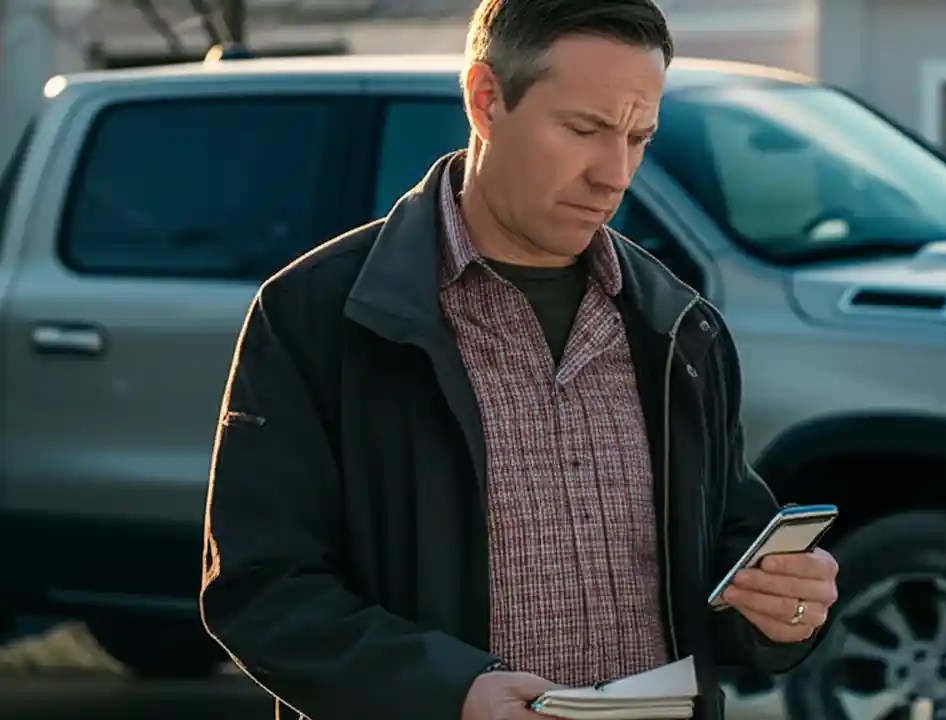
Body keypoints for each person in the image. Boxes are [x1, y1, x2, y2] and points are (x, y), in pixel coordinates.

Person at [198, 1, 839, 718]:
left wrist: (785, 607)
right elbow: (264, 591)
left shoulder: (680, 329)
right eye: (585, 129)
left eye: (639, 136)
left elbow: (723, 565)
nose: (616, 175)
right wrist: (450, 693)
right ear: (486, 100)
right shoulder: (316, 315)